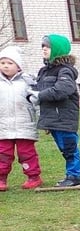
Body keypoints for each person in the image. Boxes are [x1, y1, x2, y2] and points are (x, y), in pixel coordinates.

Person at [34, 34, 80, 187]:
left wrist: (39, 95)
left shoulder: (65, 71)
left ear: (57, 50)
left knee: (69, 148)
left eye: (47, 46)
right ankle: (79, 174)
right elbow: (41, 89)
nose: (44, 49)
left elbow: (63, 90)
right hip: (53, 118)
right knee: (65, 148)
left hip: (64, 117)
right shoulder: (44, 71)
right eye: (42, 46)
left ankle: (74, 176)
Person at [0, 45, 43, 191]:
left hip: (25, 126)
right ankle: (1, 179)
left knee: (27, 153)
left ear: (18, 66)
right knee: (3, 154)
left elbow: (37, 101)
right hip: (3, 127)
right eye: (3, 63)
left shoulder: (27, 82)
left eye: (10, 63)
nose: (6, 66)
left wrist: (42, 119)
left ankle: (33, 176)